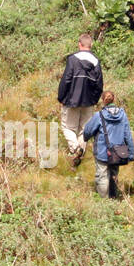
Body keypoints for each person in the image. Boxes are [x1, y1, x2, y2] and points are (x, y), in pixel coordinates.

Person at [57, 33, 103, 167]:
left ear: (79, 44)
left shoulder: (72, 59)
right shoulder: (96, 61)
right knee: (84, 130)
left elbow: (66, 80)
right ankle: (79, 158)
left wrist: (61, 97)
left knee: (67, 128)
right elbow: (99, 85)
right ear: (91, 45)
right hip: (88, 101)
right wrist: (94, 99)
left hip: (71, 100)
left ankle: (76, 149)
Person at [80, 92, 134, 198]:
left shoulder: (99, 115)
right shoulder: (123, 115)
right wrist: (131, 154)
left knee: (102, 176)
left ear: (103, 100)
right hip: (118, 152)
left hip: (102, 151)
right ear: (114, 100)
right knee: (114, 175)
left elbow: (88, 130)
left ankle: (104, 202)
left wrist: (85, 138)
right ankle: (113, 199)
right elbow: (128, 135)